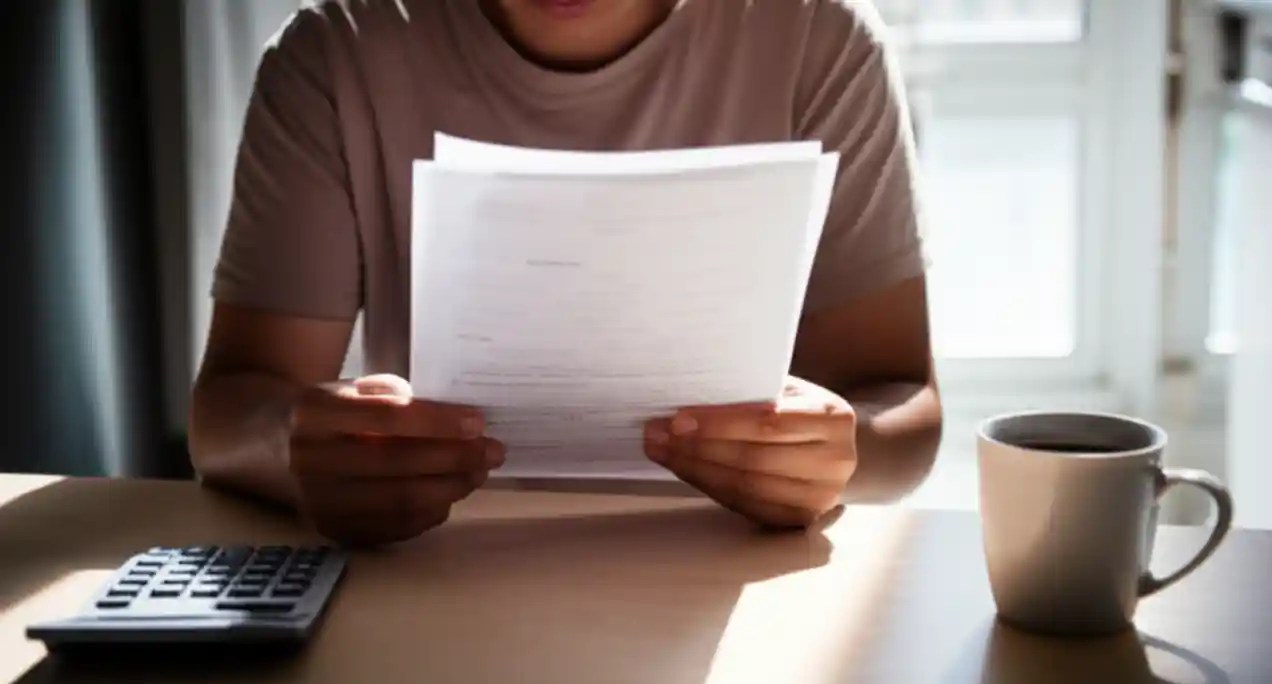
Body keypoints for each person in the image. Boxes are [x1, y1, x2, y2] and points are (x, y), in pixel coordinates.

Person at [189, 0, 943, 546]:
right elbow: (227, 413)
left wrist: (834, 459)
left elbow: (902, 406)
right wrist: (296, 448)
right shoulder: (339, 48)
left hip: (728, 584)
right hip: (436, 574)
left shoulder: (817, 36)